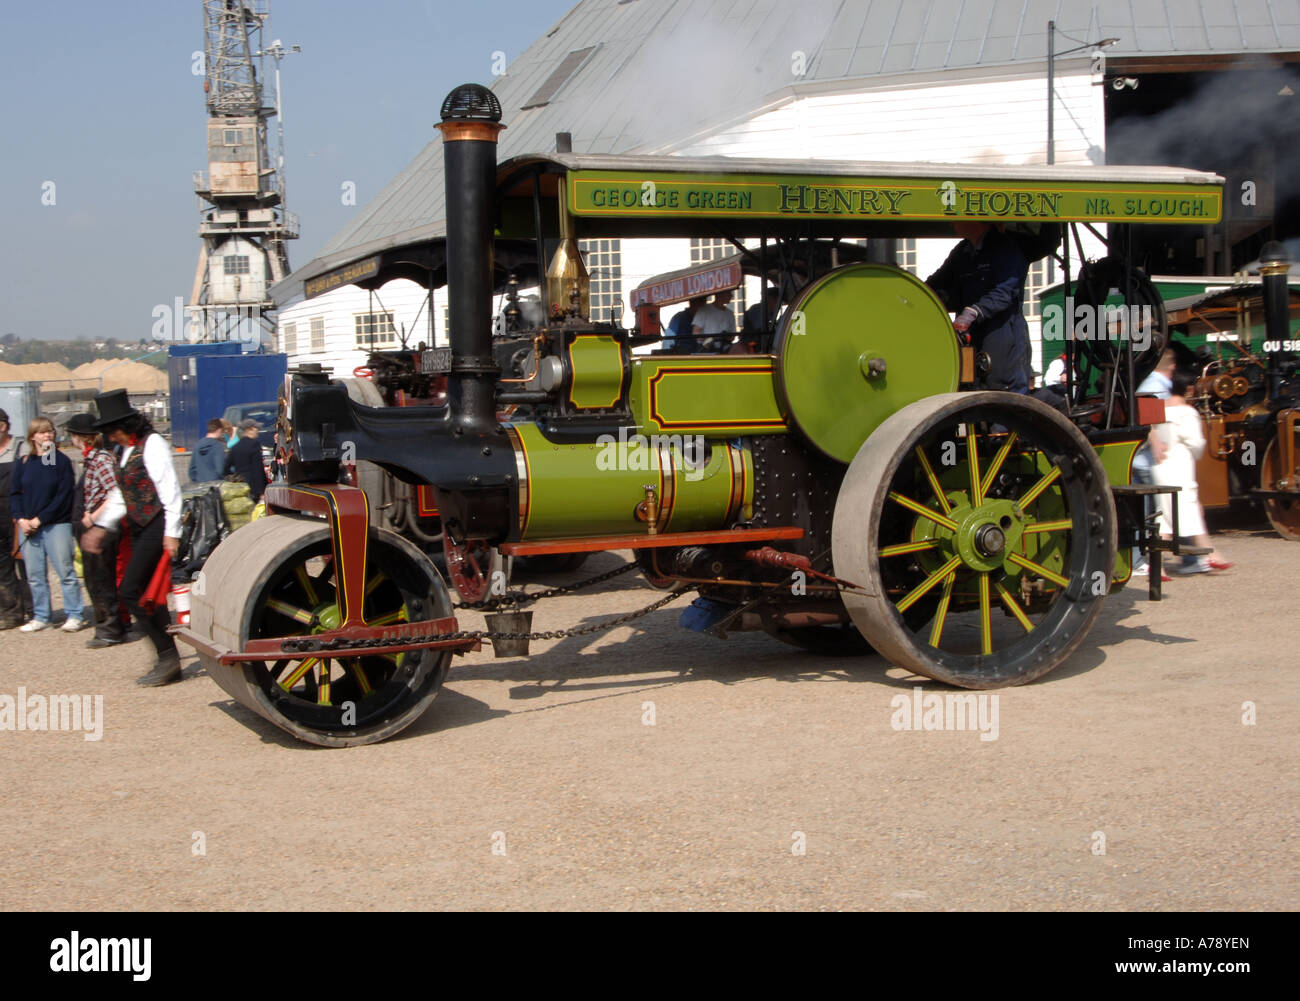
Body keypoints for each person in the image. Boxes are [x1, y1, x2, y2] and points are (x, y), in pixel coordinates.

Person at [93, 389, 184, 686]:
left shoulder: (152, 444)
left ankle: (167, 655)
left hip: (157, 524)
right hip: (139, 526)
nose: (111, 437)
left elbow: (170, 489)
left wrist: (172, 534)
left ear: (126, 425)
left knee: (130, 591)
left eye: (113, 430)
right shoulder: (124, 451)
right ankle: (168, 659)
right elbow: (123, 493)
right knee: (148, 595)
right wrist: (102, 525)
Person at [925, 222, 1033, 393]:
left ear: (976, 220)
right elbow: (936, 282)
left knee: (1001, 393)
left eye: (959, 217)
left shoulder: (1005, 247)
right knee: (971, 389)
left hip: (1003, 335)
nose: (954, 222)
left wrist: (973, 312)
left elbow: (1005, 291)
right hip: (971, 336)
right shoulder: (962, 251)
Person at [9, 416, 85, 632]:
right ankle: (42, 615)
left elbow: (63, 494)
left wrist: (41, 518)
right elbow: (15, 493)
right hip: (28, 526)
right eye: (42, 432)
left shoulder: (58, 461)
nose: (47, 435)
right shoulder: (25, 462)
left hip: (56, 524)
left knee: (65, 571)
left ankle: (74, 614)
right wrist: (21, 519)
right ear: (33, 436)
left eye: (50, 431)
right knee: (35, 575)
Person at [1151, 371, 1231, 575]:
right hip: (1180, 466)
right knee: (1189, 510)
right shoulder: (1187, 412)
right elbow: (1196, 443)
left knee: (1166, 517)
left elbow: (1150, 431)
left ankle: (1158, 566)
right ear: (1189, 389)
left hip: (1160, 466)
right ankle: (1210, 553)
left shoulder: (1160, 408)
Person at [66, 412, 128, 648]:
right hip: (94, 524)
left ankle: (110, 628)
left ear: (82, 437)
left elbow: (115, 492)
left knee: (101, 580)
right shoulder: (93, 459)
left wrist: (93, 517)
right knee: (96, 579)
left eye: (73, 435)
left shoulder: (101, 459)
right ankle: (110, 625)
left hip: (100, 527)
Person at [1131, 349, 1177, 578]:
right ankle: (1140, 560)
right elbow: (1143, 413)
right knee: (1149, 512)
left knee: (1147, 511)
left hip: (1144, 458)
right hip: (1144, 459)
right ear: (1172, 366)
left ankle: (1140, 558)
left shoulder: (1154, 383)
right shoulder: (1155, 384)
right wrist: (1156, 442)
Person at [0, 408, 35, 628]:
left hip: (19, 516)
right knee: (2, 567)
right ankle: (10, 613)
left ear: (2, 426)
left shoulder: (23, 448)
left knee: (27, 565)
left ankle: (35, 611)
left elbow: (49, 471)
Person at [227, 419, 268, 503]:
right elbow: (258, 469)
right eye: (256, 428)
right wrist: (262, 491)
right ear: (250, 429)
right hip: (253, 487)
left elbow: (225, 468)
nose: (258, 431)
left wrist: (235, 478)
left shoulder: (235, 448)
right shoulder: (254, 445)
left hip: (239, 487)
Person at [740, 286, 782, 353]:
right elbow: (761, 331)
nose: (779, 306)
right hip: (753, 345)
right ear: (770, 299)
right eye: (777, 301)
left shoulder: (770, 312)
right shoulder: (757, 309)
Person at [189, 418, 230, 483]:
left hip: (200, 483)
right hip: (215, 483)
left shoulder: (198, 444)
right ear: (219, 430)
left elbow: (192, 470)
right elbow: (220, 470)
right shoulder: (217, 446)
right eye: (223, 431)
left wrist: (196, 481)